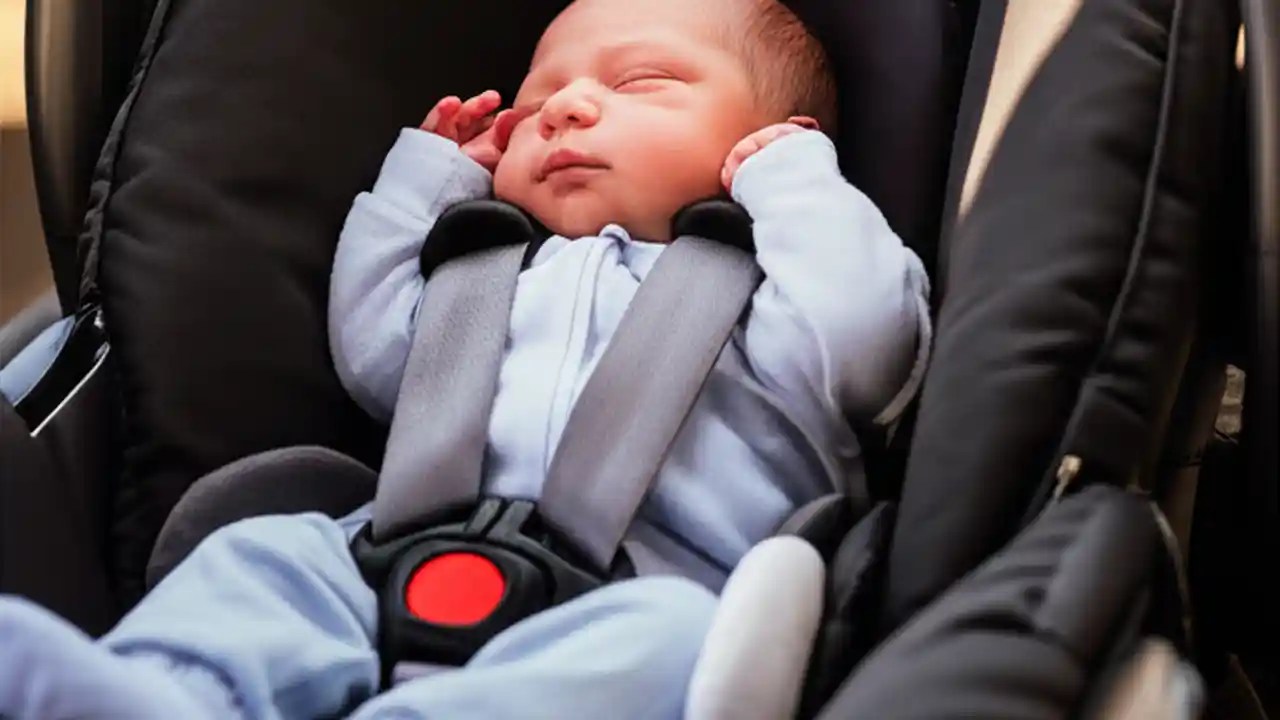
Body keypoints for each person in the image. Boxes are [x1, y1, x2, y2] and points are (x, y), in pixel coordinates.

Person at [0, 0, 930, 717]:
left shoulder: (775, 299)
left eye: (641, 82)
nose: (563, 107)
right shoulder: (490, 275)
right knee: (260, 560)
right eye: (534, 102)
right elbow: (371, 352)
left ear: (767, 140)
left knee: (675, 648)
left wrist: (796, 179)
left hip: (650, 584)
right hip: (388, 555)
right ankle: (163, 693)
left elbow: (868, 340)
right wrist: (431, 177)